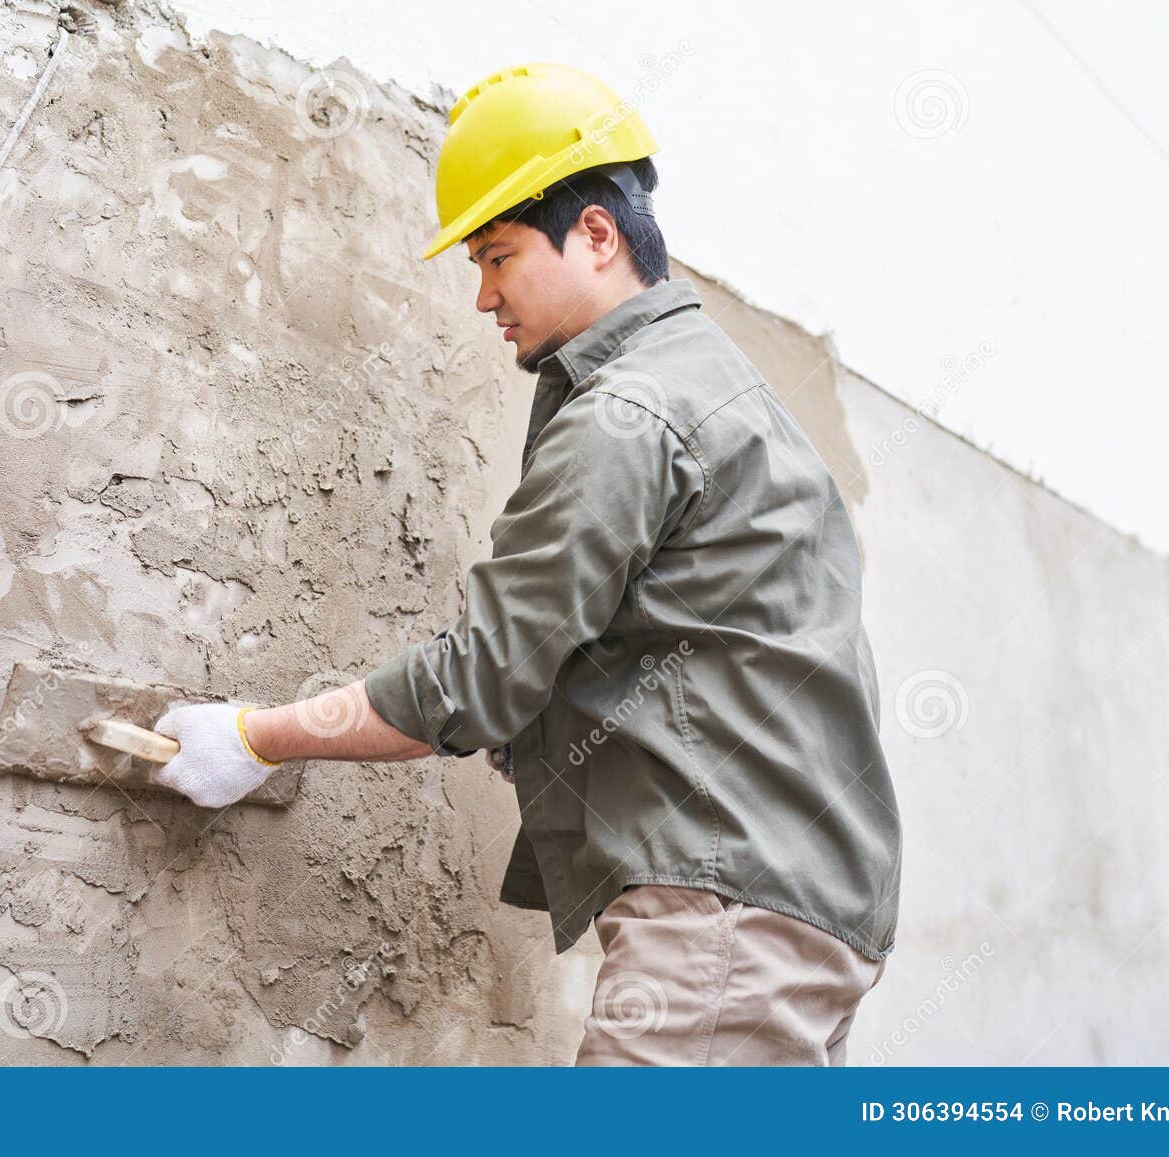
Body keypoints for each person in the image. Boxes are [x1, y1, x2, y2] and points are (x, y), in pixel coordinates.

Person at [151, 62, 902, 1066]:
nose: (481, 295)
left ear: (595, 233)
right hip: (784, 909)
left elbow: (480, 676)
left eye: (498, 255)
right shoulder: (709, 392)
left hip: (727, 916)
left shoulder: (630, 416)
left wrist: (254, 736)